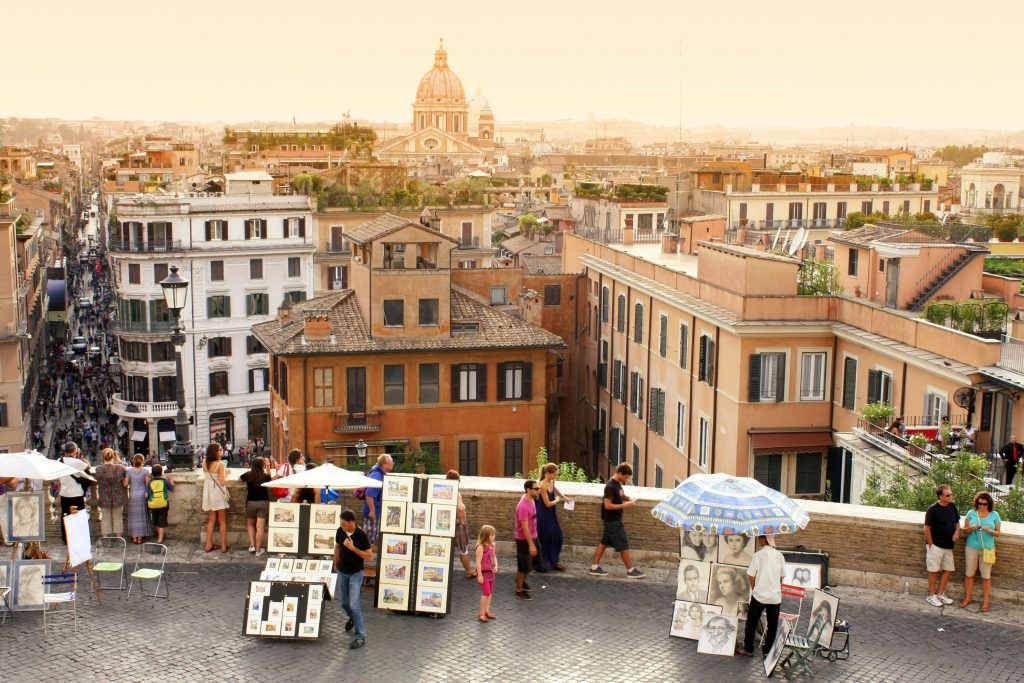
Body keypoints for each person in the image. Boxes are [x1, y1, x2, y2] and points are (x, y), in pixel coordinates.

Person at [589, 462, 645, 578]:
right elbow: (607, 505)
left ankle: (594, 567)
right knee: (623, 544)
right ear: (619, 473)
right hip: (612, 521)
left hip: (613, 520)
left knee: (603, 543)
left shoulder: (617, 484)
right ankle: (631, 570)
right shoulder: (610, 486)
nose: (626, 479)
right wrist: (625, 505)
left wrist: (628, 498)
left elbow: (621, 495)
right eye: (625, 477)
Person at [737, 536, 787, 657]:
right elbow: (781, 577)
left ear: (765, 540)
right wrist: (774, 587)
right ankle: (767, 651)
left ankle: (748, 648)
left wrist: (756, 588)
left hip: (759, 595)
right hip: (775, 596)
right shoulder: (780, 555)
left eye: (760, 537)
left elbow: (751, 575)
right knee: (772, 624)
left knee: (751, 622)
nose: (758, 539)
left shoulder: (758, 555)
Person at [333, 509, 372, 649]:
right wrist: (335, 563)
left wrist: (353, 548)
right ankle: (353, 618)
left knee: (354, 604)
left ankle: (360, 636)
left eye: (344, 523)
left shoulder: (361, 535)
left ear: (351, 522)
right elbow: (337, 547)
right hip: (342, 572)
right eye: (341, 523)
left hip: (356, 573)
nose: (342, 526)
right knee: (344, 603)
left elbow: (369, 556)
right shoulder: (340, 531)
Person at [959, 491, 1001, 612]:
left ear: (989, 504)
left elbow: (998, 533)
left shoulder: (995, 515)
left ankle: (986, 602)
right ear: (976, 503)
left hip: (988, 549)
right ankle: (967, 598)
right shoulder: (971, 513)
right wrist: (971, 528)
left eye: (985, 504)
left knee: (986, 576)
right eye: (979, 503)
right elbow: (965, 531)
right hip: (971, 547)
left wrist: (990, 531)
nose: (982, 506)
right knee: (969, 574)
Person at [924, 484, 959, 607]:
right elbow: (927, 528)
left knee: (949, 570)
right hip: (936, 545)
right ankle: (931, 595)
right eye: (948, 495)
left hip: (949, 546)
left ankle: (940, 593)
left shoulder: (952, 506)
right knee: (933, 571)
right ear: (940, 496)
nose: (951, 496)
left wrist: (956, 532)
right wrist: (931, 545)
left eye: (951, 494)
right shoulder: (933, 509)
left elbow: (957, 523)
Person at [536, 463, 571, 571]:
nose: (555, 477)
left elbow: (555, 488)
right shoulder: (542, 486)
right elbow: (547, 504)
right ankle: (544, 561)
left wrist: (564, 497)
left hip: (551, 514)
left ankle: (553, 560)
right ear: (547, 473)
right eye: (554, 474)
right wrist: (557, 500)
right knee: (546, 538)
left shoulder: (552, 481)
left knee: (558, 536)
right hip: (543, 514)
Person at [57, 441, 90, 543]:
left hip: (64, 493)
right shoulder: (77, 462)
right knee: (78, 517)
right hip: (76, 494)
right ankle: (78, 537)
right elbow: (88, 466)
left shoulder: (59, 460)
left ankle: (66, 538)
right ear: (75, 450)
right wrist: (81, 458)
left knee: (65, 516)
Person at [514, 479, 540, 600]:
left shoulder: (531, 499)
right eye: (536, 489)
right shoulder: (523, 506)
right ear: (528, 490)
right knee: (523, 565)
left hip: (534, 537)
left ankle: (521, 579)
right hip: (524, 540)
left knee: (535, 562)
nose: (538, 490)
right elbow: (524, 528)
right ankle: (519, 590)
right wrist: (531, 545)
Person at [446, 470, 475, 578]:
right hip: (458, 526)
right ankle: (469, 570)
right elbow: (460, 508)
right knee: (463, 549)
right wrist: (461, 521)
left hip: (449, 523)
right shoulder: (456, 493)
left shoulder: (446, 492)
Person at [202, 443, 230, 553]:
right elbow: (222, 482)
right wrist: (227, 474)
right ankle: (223, 546)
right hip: (218, 493)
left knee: (212, 520)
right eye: (220, 449)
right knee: (222, 520)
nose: (222, 451)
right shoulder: (220, 464)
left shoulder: (204, 463)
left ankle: (208, 545)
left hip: (208, 493)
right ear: (215, 452)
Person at [241, 457, 272, 556]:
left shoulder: (248, 475)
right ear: (262, 465)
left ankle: (252, 546)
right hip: (263, 502)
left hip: (251, 502)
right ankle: (258, 551)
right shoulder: (265, 476)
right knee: (260, 527)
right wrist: (268, 467)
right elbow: (270, 479)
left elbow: (239, 478)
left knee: (250, 524)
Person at [94, 448, 127, 537]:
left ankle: (105, 537)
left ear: (103, 457)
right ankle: (118, 537)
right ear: (113, 456)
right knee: (118, 518)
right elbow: (126, 471)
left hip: (104, 495)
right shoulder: (119, 468)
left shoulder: (98, 469)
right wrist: (118, 460)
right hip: (117, 495)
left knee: (105, 518)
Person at [362, 454, 393, 548]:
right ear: (384, 464)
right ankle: (368, 559)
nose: (393, 463)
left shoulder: (379, 473)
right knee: (371, 538)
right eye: (391, 462)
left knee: (373, 536)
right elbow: (369, 494)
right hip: (373, 513)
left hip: (376, 511)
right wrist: (372, 511)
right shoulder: (377, 475)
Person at [124, 454, 152, 545]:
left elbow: (125, 484)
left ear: (133, 460)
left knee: (134, 516)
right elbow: (148, 483)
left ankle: (134, 537)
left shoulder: (129, 471)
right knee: (141, 516)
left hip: (132, 495)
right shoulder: (145, 471)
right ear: (142, 461)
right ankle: (140, 538)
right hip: (142, 495)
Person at [145, 465, 175, 544]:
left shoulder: (150, 482)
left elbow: (146, 495)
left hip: (153, 503)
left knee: (155, 520)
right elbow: (173, 489)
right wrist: (171, 479)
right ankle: (160, 538)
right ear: (161, 472)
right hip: (163, 503)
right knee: (161, 521)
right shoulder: (164, 481)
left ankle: (158, 536)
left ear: (152, 473)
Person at [475, 524, 498, 622]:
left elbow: (494, 557)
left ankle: (487, 610)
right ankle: (481, 613)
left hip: (491, 573)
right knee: (486, 593)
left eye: (494, 535)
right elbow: (478, 562)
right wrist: (479, 575)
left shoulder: (493, 545)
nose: (493, 537)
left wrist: (496, 566)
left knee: (490, 593)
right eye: (491, 535)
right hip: (484, 573)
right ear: (486, 535)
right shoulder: (480, 547)